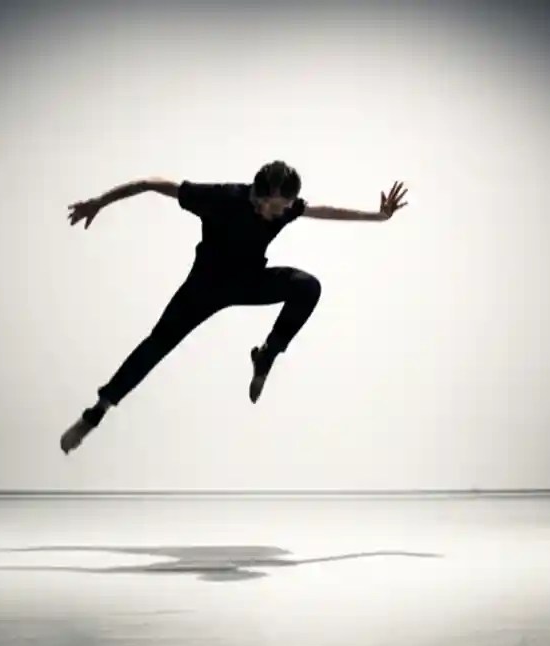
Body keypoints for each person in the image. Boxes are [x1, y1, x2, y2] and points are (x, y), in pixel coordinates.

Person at [59, 160, 408, 454]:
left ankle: (267, 353)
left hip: (249, 281)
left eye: (287, 208)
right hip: (203, 287)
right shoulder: (221, 198)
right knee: (157, 344)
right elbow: (152, 184)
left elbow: (325, 212)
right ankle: (96, 413)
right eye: (277, 207)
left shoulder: (286, 208)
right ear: (260, 195)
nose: (283, 214)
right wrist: (99, 202)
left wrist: (378, 217)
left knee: (308, 287)